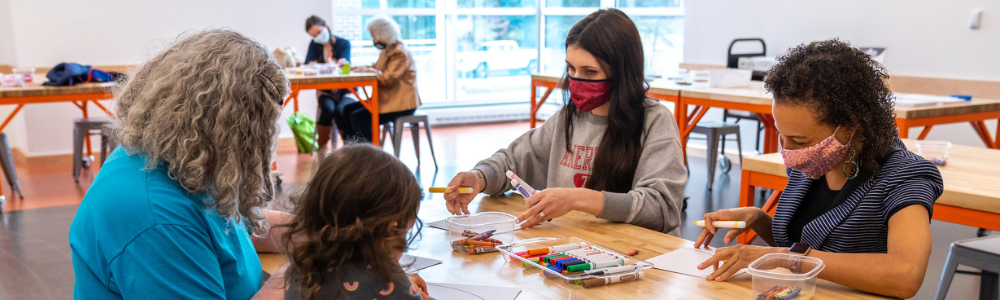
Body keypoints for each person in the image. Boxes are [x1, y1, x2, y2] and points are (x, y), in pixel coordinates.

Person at [693, 39, 943, 299]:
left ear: (849, 126)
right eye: (781, 134)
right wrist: (759, 218)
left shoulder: (905, 176)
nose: (788, 151)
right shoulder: (814, 163)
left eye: (799, 140)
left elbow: (906, 275)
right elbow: (801, 246)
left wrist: (782, 257)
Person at [69, 29, 293, 300]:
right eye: (258, 132)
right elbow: (182, 229)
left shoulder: (177, 160)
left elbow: (234, 229)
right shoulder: (155, 216)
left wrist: (315, 234)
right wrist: (291, 283)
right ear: (227, 130)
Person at [443, 9, 687, 234]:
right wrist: (479, 177)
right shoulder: (567, 118)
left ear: (621, 72)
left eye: (590, 72)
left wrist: (576, 199)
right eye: (571, 69)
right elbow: (512, 161)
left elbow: (662, 208)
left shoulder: (654, 121)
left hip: (639, 254)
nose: (576, 80)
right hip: (578, 247)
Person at [283, 144, 428, 300]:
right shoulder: (391, 285)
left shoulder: (300, 271)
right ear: (389, 229)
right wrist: (403, 286)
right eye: (405, 232)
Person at [343, 15, 421, 143]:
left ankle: (369, 152)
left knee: (358, 118)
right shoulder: (387, 50)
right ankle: (351, 150)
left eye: (374, 36)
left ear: (382, 35)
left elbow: (388, 79)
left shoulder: (399, 52)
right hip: (388, 101)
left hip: (400, 104)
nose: (374, 40)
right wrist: (354, 69)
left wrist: (370, 72)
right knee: (347, 109)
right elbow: (375, 68)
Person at [304, 15, 353, 156]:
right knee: (327, 109)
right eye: (314, 36)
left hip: (345, 91)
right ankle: (322, 152)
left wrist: (342, 63)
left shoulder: (343, 43)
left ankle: (349, 151)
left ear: (326, 26)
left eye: (319, 32)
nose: (317, 37)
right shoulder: (314, 45)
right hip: (325, 91)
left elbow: (346, 62)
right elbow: (307, 64)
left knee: (342, 111)